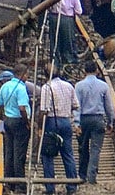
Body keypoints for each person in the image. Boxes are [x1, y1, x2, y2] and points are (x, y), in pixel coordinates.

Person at [74, 61, 115, 184]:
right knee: (96, 149)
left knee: (83, 147)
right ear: (97, 71)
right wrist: (110, 122)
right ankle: (92, 176)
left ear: (84, 71)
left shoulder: (79, 86)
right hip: (98, 119)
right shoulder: (103, 86)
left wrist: (76, 123)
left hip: (83, 119)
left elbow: (77, 105)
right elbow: (109, 106)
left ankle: (82, 175)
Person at [40, 66, 79, 195]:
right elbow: (76, 105)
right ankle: (72, 186)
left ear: (45, 75)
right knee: (68, 154)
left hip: (52, 121)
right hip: (66, 121)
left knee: (47, 154)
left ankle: (50, 188)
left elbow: (44, 109)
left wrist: (40, 127)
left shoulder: (47, 87)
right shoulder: (69, 86)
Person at [0, 64, 31, 193]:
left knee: (9, 152)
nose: (27, 77)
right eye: (27, 74)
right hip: (19, 122)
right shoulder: (21, 88)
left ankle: (8, 182)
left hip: (7, 121)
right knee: (19, 154)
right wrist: (26, 122)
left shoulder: (5, 86)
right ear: (22, 74)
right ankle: (20, 185)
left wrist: (2, 120)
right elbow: (22, 108)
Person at [48, 0, 83, 67]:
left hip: (54, 18)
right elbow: (79, 11)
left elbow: (49, 5)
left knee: (54, 40)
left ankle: (55, 60)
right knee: (68, 39)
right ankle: (68, 61)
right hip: (67, 19)